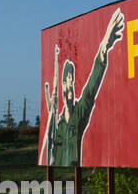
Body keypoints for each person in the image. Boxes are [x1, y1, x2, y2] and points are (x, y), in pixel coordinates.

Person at [43, 9, 125, 167]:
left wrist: (104, 47)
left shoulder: (80, 112)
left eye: (72, 81)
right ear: (62, 85)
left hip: (73, 176)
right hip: (57, 180)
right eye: (67, 81)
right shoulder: (57, 126)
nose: (70, 87)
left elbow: (91, 86)